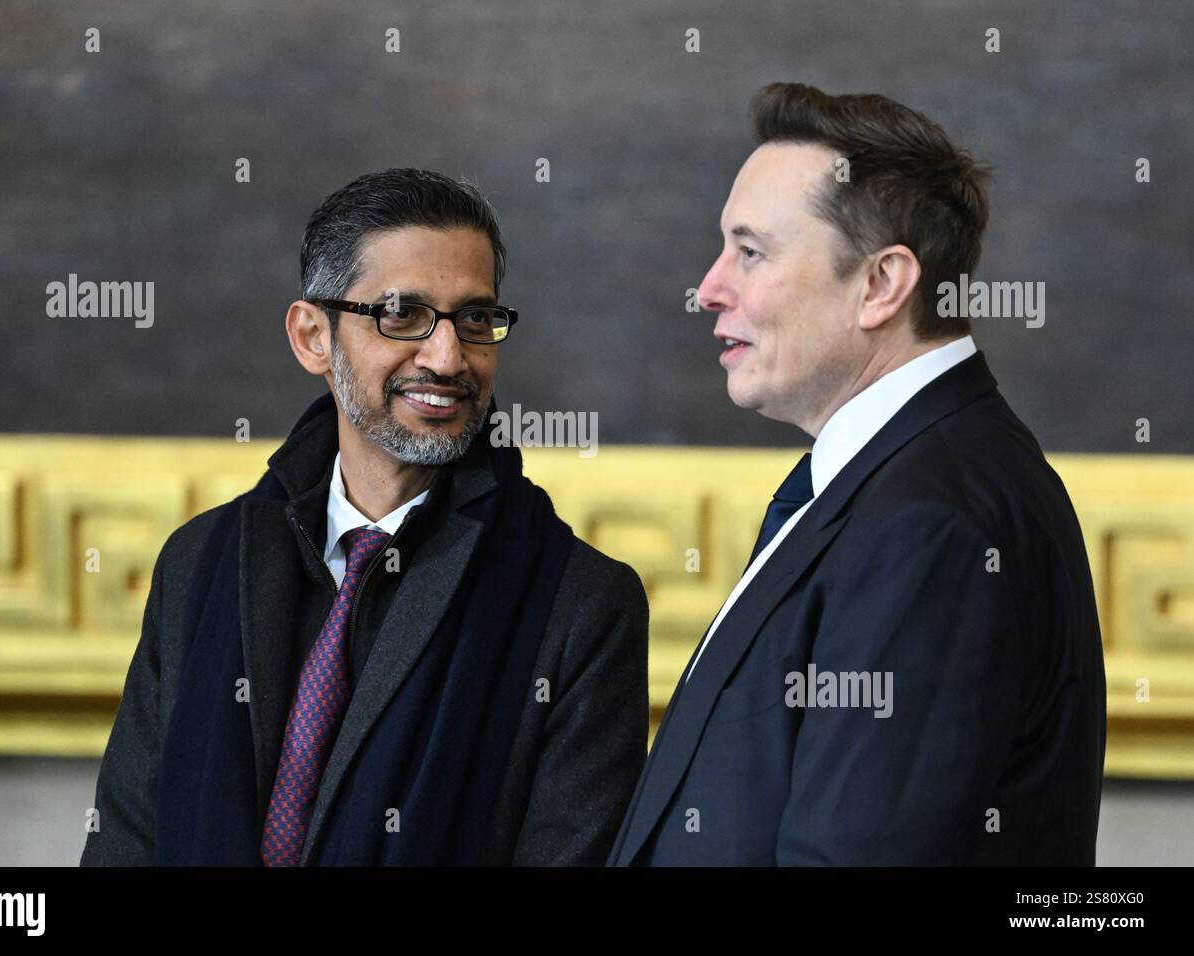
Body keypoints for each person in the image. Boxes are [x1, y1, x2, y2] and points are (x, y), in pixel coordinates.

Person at [82, 168, 649, 866]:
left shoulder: (581, 604)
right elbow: (125, 845)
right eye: (401, 315)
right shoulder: (200, 562)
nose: (447, 357)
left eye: (474, 319)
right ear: (313, 336)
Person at [609, 83, 1106, 866]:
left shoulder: (928, 526)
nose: (708, 288)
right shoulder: (903, 479)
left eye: (751, 252)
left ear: (881, 284)